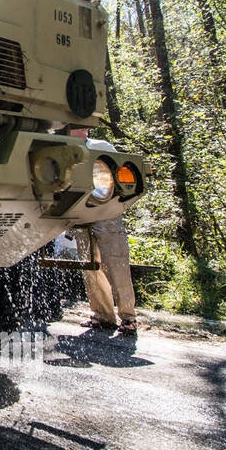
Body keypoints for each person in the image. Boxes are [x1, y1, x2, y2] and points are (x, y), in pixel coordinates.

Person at [75, 133, 137, 336]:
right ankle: (103, 314)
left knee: (116, 264)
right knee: (91, 267)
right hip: (81, 216)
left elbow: (120, 179)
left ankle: (128, 317)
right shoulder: (64, 148)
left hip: (107, 215)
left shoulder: (102, 147)